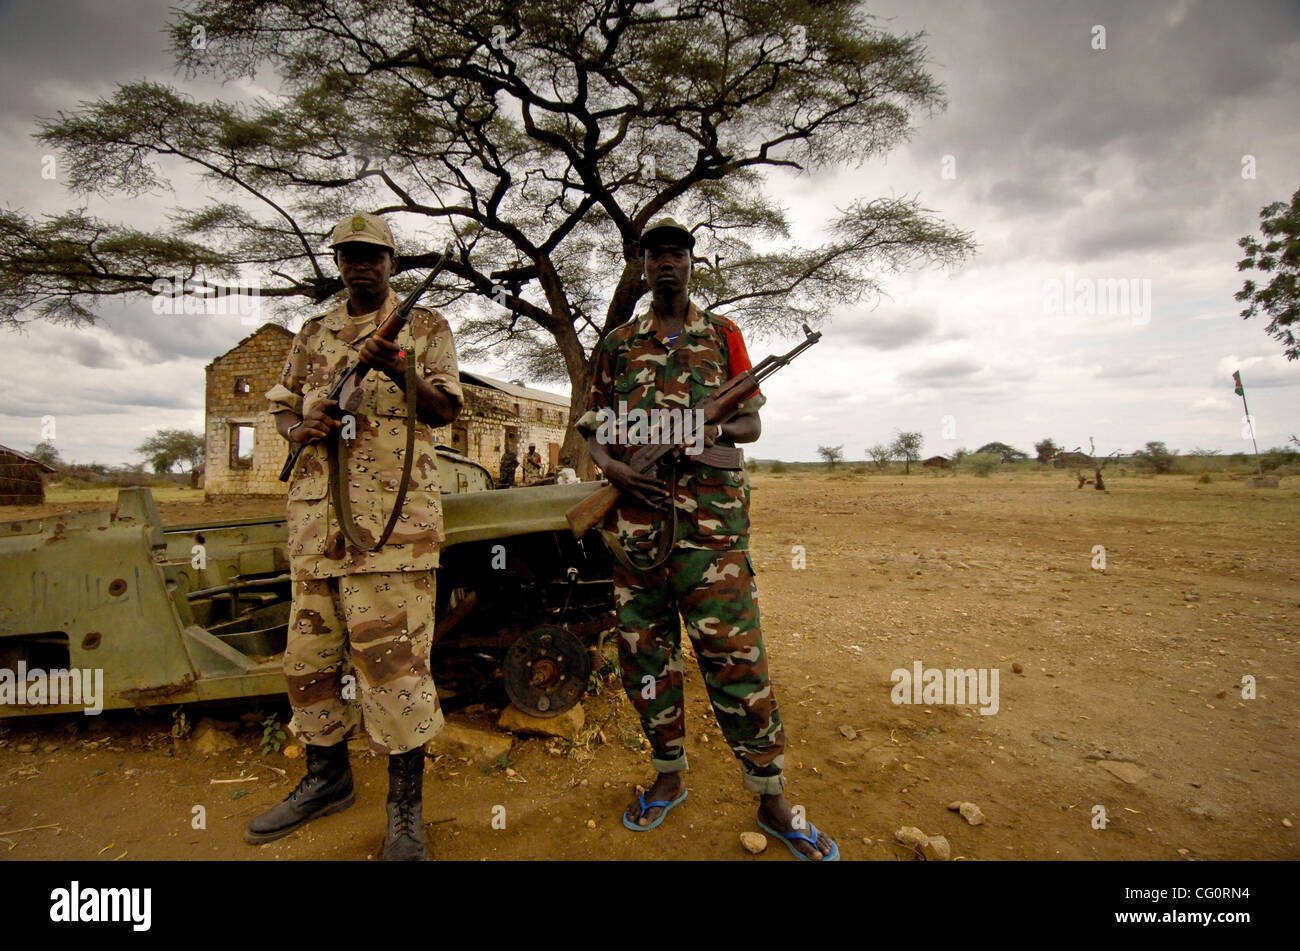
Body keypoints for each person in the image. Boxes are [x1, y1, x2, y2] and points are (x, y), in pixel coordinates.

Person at [577, 217, 838, 860]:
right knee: (646, 664)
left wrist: (702, 434)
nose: (667, 263)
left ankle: (772, 796)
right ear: (642, 266)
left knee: (738, 665)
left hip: (713, 538)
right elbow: (592, 422)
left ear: (693, 263)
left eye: (678, 253)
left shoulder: (724, 335)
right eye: (655, 254)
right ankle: (667, 777)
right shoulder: (615, 345)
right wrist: (613, 468)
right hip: (635, 538)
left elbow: (748, 423)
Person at [251, 212, 463, 861]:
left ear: (391, 264)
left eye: (373, 255)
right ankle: (326, 778)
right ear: (338, 263)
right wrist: (298, 426)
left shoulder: (426, 327)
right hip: (317, 525)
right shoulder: (314, 332)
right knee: (309, 662)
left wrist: (400, 367)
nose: (361, 265)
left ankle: (404, 810)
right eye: (349, 255)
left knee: (394, 670)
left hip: (393, 530)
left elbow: (447, 410)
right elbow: (282, 401)